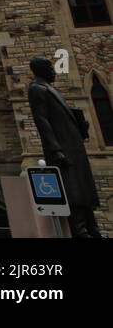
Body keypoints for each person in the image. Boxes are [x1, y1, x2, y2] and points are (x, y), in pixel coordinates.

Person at [27, 57, 103, 237]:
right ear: (40, 70)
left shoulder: (50, 89)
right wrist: (56, 150)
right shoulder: (36, 89)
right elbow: (42, 120)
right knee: (74, 190)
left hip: (73, 146)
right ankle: (81, 230)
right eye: (49, 68)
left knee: (83, 190)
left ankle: (92, 228)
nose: (54, 71)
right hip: (64, 149)